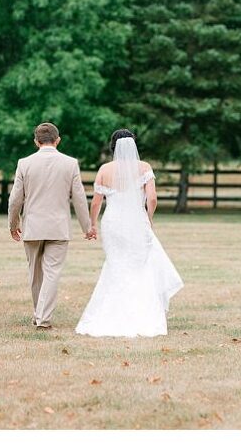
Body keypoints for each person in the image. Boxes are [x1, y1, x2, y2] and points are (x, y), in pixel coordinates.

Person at [75, 129, 184, 338]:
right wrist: (149, 217)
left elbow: (97, 201)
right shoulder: (144, 167)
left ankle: (109, 315)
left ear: (112, 147)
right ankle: (142, 315)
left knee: (115, 266)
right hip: (136, 222)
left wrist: (92, 224)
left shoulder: (104, 170)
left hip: (113, 223)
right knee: (140, 268)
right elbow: (152, 198)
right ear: (133, 146)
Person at [7, 122, 94, 330]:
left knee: (35, 275)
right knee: (52, 273)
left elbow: (15, 198)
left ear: (36, 142)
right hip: (58, 227)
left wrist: (13, 224)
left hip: (33, 227)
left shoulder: (24, 163)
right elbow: (80, 199)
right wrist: (87, 227)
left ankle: (40, 316)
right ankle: (42, 318)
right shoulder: (70, 163)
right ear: (58, 140)